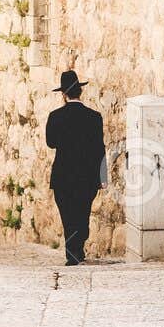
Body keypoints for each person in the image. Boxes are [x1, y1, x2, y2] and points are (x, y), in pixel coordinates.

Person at [44, 70, 105, 266]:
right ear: (80, 91)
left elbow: (51, 143)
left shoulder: (55, 117)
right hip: (87, 176)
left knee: (68, 214)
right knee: (82, 213)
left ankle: (73, 252)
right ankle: (77, 247)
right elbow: (100, 148)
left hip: (63, 175)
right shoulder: (94, 117)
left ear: (63, 94)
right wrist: (102, 177)